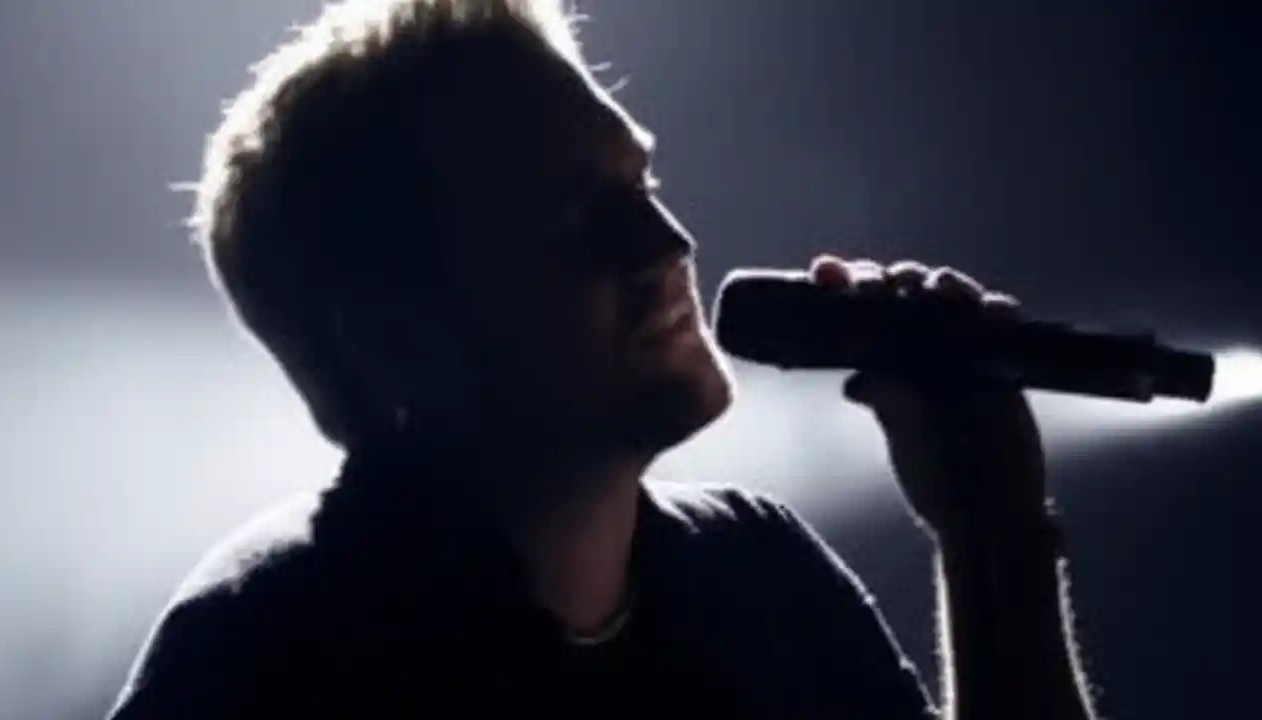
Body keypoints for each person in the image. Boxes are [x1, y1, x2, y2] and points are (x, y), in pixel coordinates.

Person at [108, 1, 1099, 717]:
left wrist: (992, 536)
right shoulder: (256, 664)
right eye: (572, 214)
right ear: (392, 334)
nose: (664, 243)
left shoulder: (757, 576)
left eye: (642, 180)